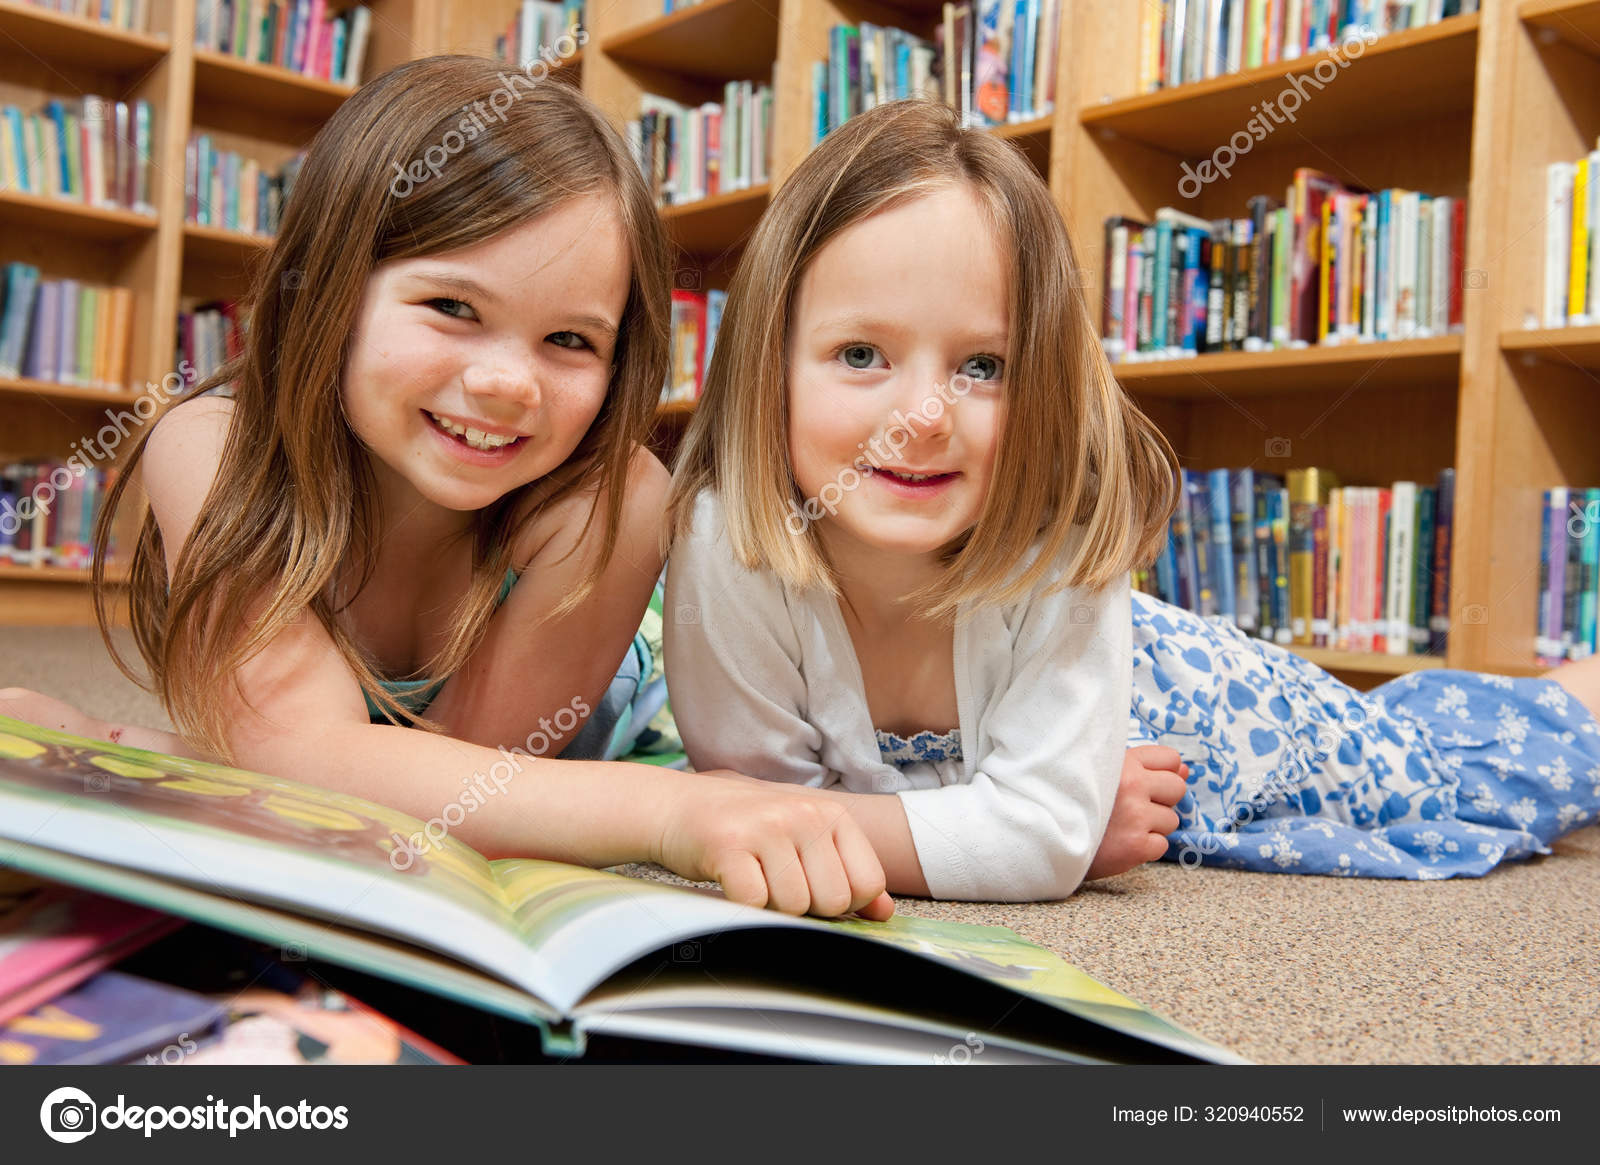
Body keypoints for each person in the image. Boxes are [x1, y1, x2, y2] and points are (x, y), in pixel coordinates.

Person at [0, 57, 890, 921]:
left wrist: (680, 806)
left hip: (625, 740)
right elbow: (316, 758)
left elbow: (457, 796)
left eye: (570, 341)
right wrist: (671, 818)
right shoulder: (207, 445)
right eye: (454, 308)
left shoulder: (614, 503)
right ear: (329, 289)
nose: (508, 383)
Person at [661, 98, 1600, 901]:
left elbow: (941, 832)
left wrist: (1039, 827)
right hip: (1108, 745)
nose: (923, 416)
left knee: (1466, 762)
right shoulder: (724, 540)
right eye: (861, 354)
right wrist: (1015, 817)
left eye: (983, 366)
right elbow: (770, 824)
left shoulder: (1057, 540)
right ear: (768, 364)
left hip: (1219, 707)